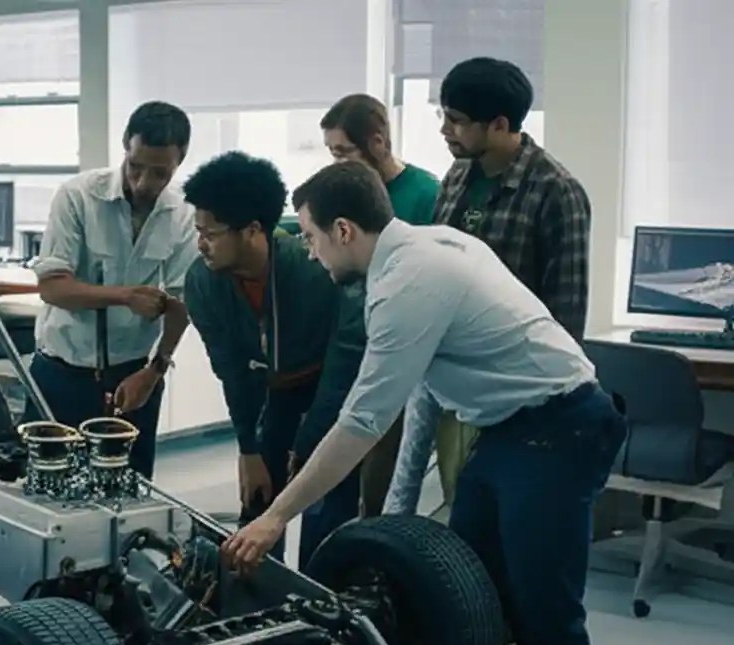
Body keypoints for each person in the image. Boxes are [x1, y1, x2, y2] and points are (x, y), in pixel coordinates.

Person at [222, 161, 624, 645]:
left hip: (560, 428)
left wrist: (276, 518)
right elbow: (411, 397)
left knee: (546, 614)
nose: (309, 253)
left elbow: (362, 423)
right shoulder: (431, 244)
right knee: (470, 593)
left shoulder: (409, 282)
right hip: (511, 432)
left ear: (343, 230)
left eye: (311, 238)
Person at [385, 57, 593, 517]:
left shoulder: (556, 191)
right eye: (444, 116)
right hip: (448, 370)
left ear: (500, 125)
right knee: (426, 501)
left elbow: (566, 310)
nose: (444, 130)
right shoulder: (459, 176)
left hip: (511, 388)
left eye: (456, 121)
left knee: (487, 512)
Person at [180, 151, 365, 564]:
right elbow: (230, 371)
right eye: (198, 231)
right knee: (258, 503)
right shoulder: (202, 283)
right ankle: (258, 603)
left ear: (252, 230)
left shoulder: (315, 269)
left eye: (211, 233)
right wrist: (248, 449)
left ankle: (326, 596)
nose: (201, 243)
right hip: (272, 395)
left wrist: (310, 441)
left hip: (331, 394)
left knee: (326, 505)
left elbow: (343, 365)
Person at [25, 101, 197, 479]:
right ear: (125, 145)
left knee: (128, 496)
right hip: (61, 374)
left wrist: (155, 369)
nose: (144, 183)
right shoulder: (78, 196)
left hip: (135, 377)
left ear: (180, 161)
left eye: (160, 173)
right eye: (136, 167)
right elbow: (52, 288)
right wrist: (125, 296)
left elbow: (183, 302)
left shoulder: (184, 213)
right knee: (46, 491)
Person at [319, 93, 442, 515]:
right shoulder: (342, 193)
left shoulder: (426, 194)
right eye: (332, 154)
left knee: (384, 473)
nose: (338, 163)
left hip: (404, 349)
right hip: (353, 342)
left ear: (377, 142)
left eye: (344, 152)